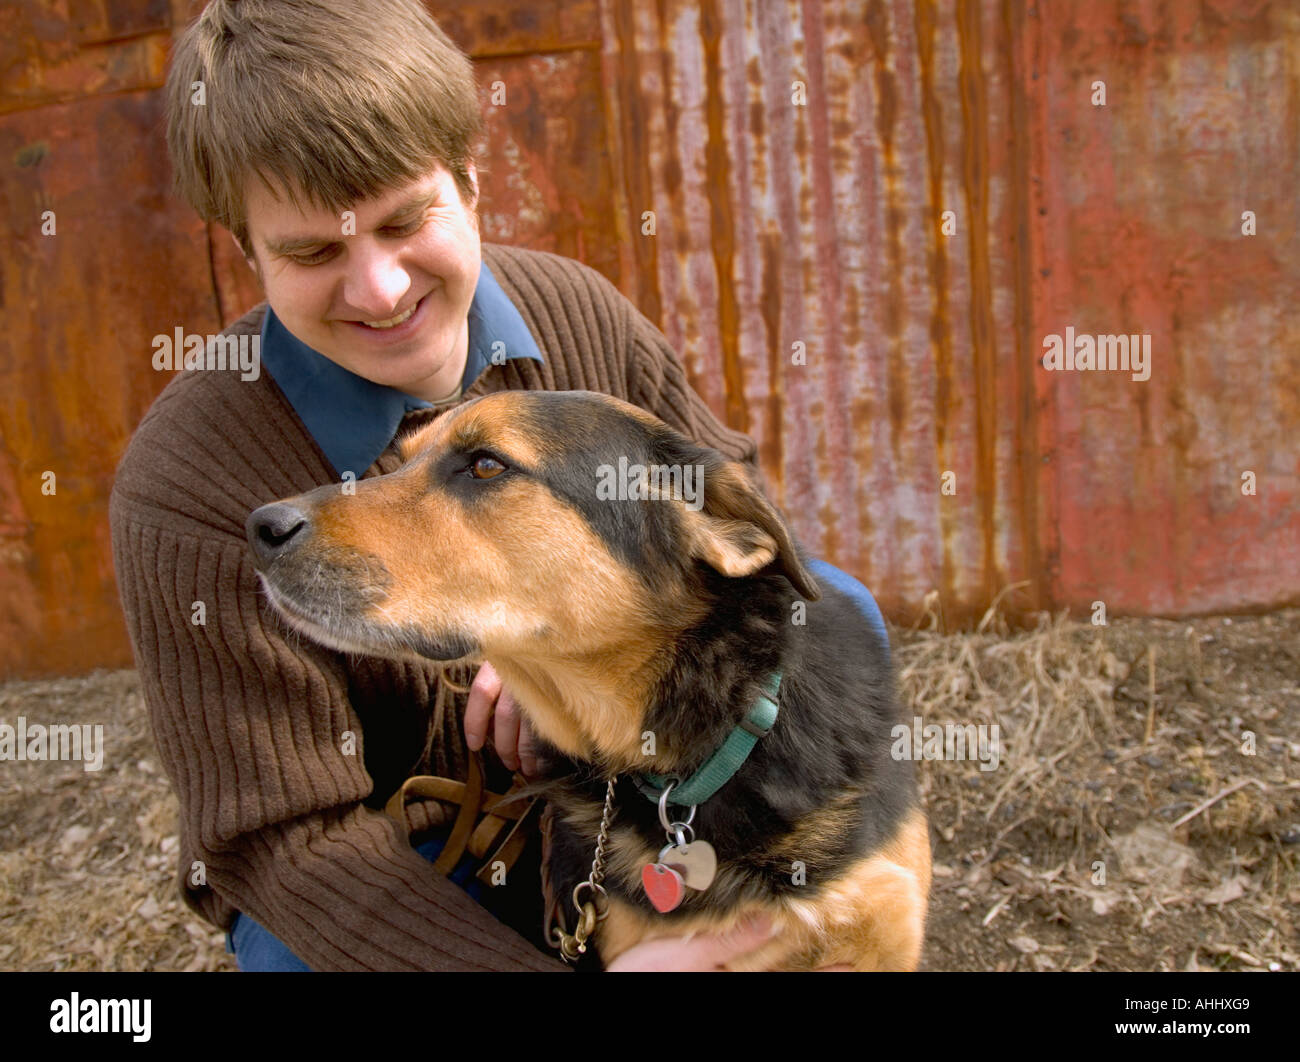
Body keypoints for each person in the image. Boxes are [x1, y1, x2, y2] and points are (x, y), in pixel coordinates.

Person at [110, 0, 887, 971]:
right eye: (313, 253)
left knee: (838, 606)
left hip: (610, 780)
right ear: (247, 253)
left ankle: (805, 905)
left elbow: (722, 510)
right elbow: (285, 843)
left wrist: (552, 629)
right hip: (401, 852)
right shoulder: (191, 483)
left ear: (470, 182)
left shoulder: (578, 315)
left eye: (406, 220)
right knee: (291, 951)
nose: (381, 290)